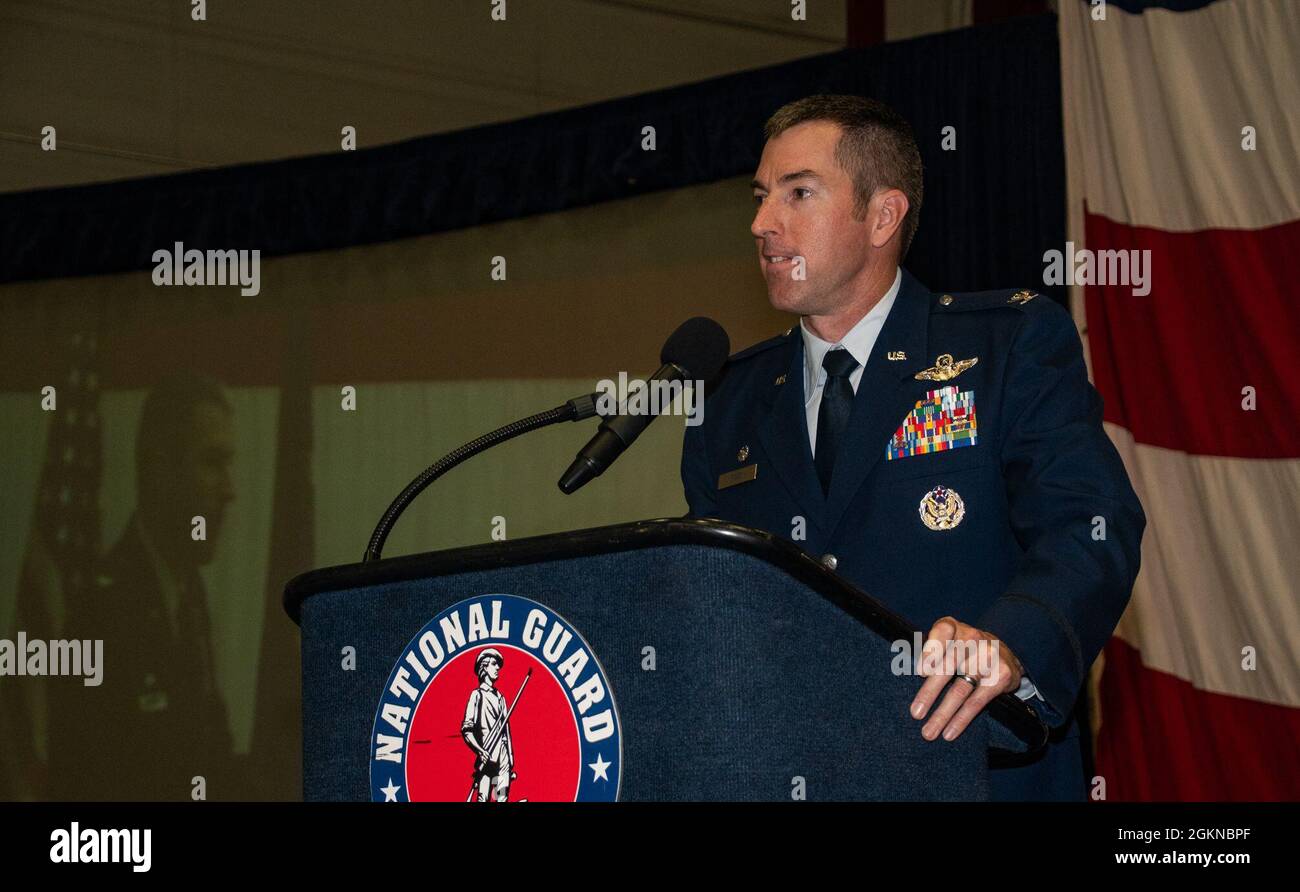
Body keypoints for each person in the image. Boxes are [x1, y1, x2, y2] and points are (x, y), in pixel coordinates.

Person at [680, 95, 1145, 801]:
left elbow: (1092, 523)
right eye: (759, 196)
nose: (761, 224)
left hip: (972, 771)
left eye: (797, 192)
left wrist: (1012, 641)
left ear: (882, 216)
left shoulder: (1005, 347)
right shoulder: (730, 401)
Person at [51, 373, 239, 800]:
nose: (230, 490)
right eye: (212, 463)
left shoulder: (188, 595)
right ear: (159, 469)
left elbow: (211, 756)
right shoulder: (97, 607)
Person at [461, 648, 515, 802]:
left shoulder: (501, 698)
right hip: (487, 756)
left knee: (501, 798)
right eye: (493, 664)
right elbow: (467, 730)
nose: (498, 668)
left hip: (503, 758)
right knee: (483, 798)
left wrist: (510, 762)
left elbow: (507, 732)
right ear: (484, 667)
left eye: (498, 665)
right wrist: (479, 751)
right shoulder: (476, 695)